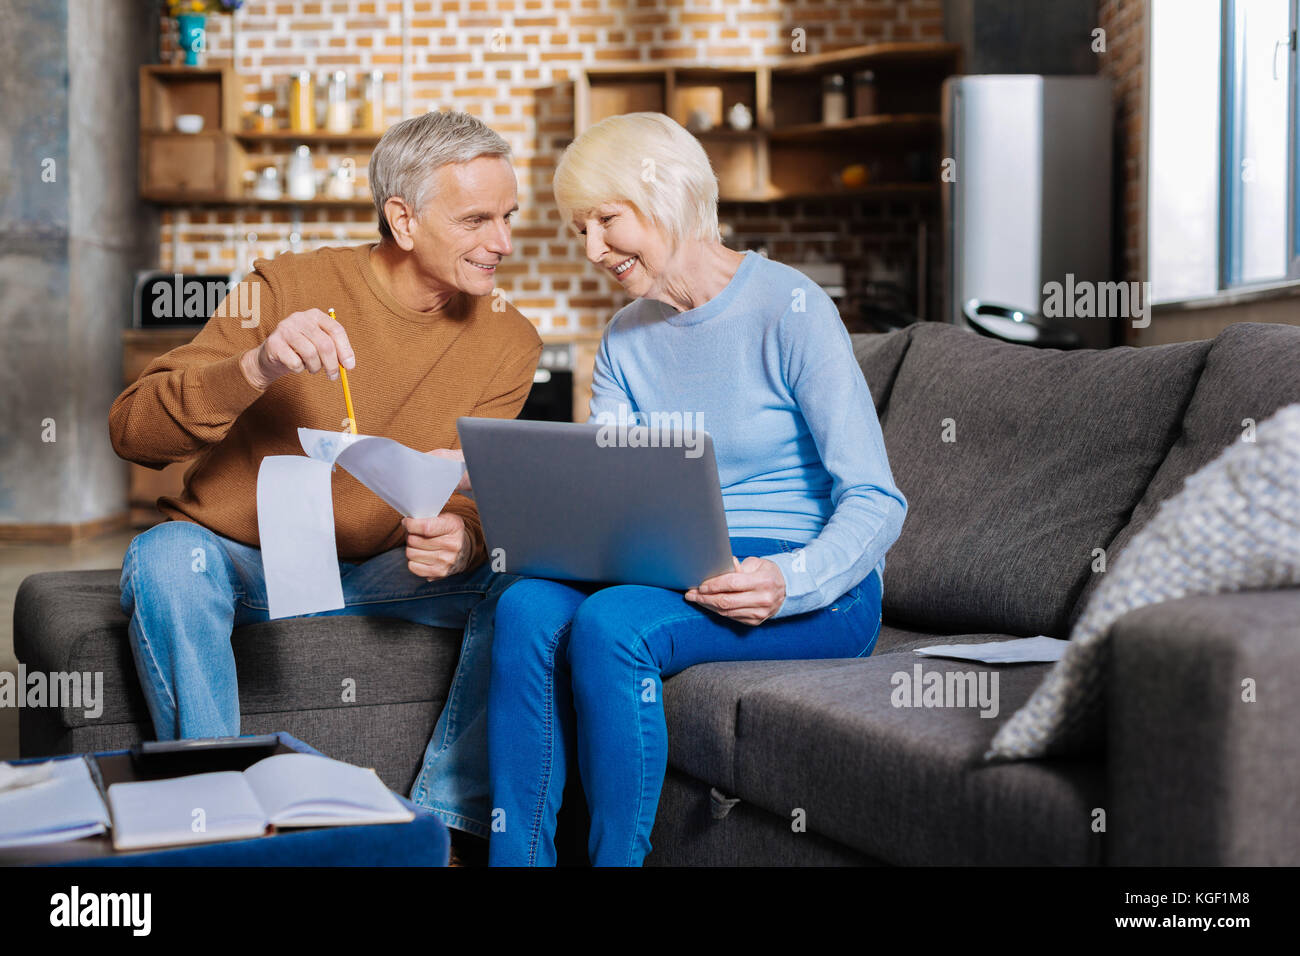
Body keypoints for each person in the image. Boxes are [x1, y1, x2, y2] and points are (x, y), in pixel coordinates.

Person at [480, 112, 909, 866]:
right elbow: (608, 494)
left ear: (670, 194)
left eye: (607, 221)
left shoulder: (790, 307)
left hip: (807, 583)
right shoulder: (624, 339)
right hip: (671, 564)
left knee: (613, 625)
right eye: (581, 229)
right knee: (523, 606)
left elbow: (877, 500)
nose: (592, 251)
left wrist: (788, 578)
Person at [109, 110, 541, 844]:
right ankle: (219, 819)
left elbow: (471, 499)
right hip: (242, 563)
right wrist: (256, 366)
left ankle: (439, 829)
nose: (501, 241)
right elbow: (133, 430)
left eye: (507, 216)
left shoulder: (510, 341)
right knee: (167, 561)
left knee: (531, 587)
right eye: (475, 219)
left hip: (377, 573)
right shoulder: (286, 285)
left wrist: (463, 542)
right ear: (402, 220)